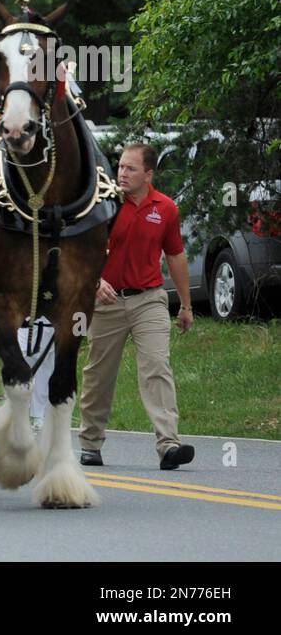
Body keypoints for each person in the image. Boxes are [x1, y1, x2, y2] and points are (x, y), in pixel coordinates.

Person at [79, 143, 196, 470]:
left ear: (148, 174)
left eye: (130, 169)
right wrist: (93, 281)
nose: (122, 174)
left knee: (157, 366)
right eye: (120, 167)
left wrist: (186, 305)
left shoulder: (166, 208)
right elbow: (81, 249)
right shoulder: (105, 204)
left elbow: (175, 255)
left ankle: (169, 445)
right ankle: (90, 442)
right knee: (99, 374)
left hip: (150, 299)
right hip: (107, 301)